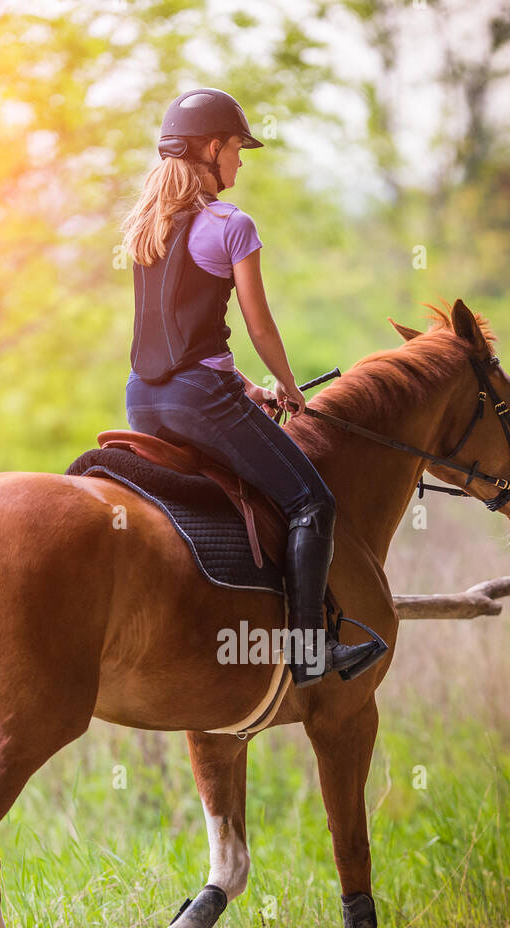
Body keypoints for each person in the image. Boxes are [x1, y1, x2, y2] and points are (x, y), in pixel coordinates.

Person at [121, 87, 386, 687]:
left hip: (143, 397)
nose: (241, 161)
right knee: (311, 501)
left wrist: (245, 387)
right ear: (212, 149)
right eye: (239, 148)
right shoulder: (232, 225)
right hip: (198, 400)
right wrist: (290, 388)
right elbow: (257, 324)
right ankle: (310, 652)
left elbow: (180, 336)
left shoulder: (147, 227)